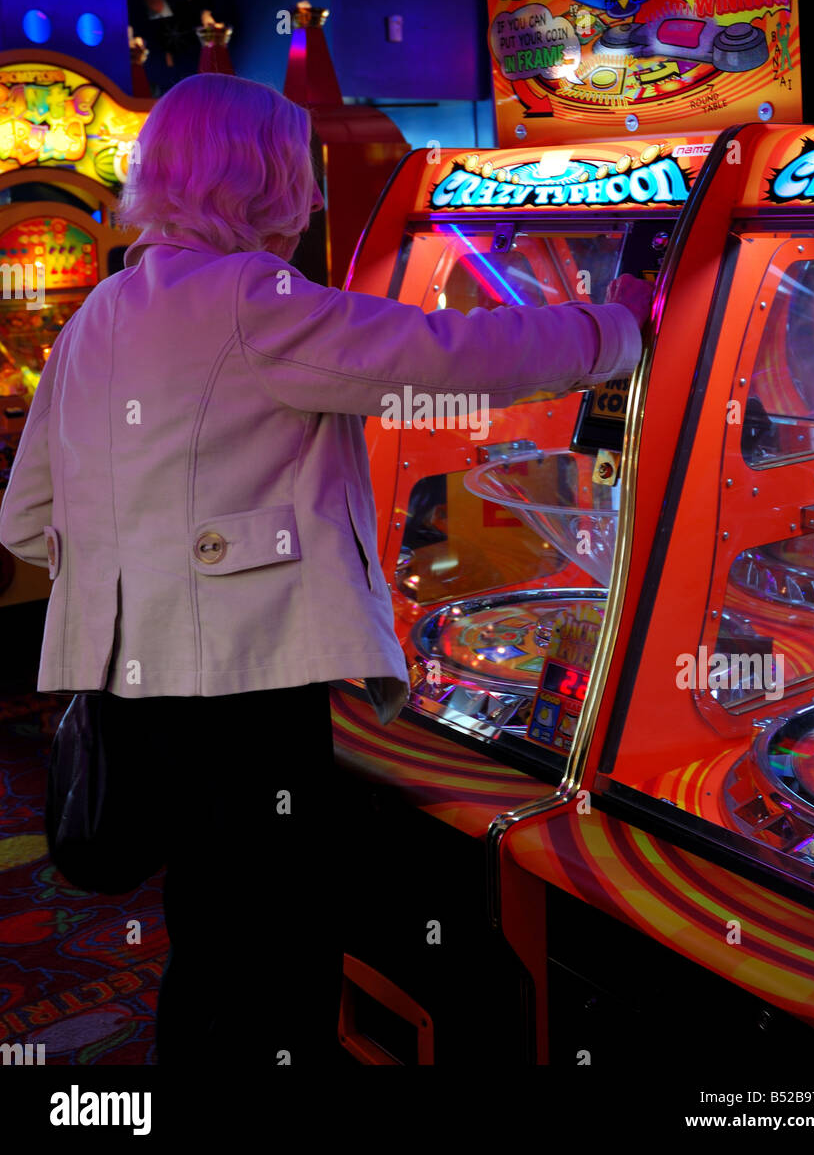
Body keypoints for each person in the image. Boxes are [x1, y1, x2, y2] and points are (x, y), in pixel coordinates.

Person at [0, 73, 653, 1067]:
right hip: (244, 693)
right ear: (257, 180)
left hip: (137, 691)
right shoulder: (252, 299)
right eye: (297, 171)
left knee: (210, 935)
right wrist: (616, 328)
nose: (309, 195)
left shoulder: (104, 309)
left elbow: (26, 518)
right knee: (276, 948)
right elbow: (449, 355)